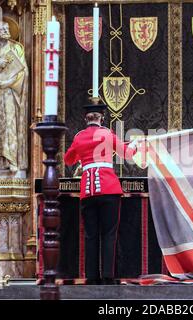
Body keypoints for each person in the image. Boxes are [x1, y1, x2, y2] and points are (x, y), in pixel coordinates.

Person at [64, 103, 138, 285]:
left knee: (90, 235)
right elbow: (127, 154)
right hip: (109, 188)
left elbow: (68, 159)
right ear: (101, 118)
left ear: (86, 119)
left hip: (88, 191)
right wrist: (136, 145)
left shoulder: (79, 137)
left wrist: (82, 157)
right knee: (109, 234)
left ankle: (91, 276)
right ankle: (107, 275)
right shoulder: (106, 133)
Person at [0, 17, 29, 172]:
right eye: (3, 30)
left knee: (9, 125)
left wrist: (8, 83)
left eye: (8, 29)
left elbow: (23, 72)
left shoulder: (17, 49)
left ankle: (11, 159)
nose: (7, 32)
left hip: (10, 93)